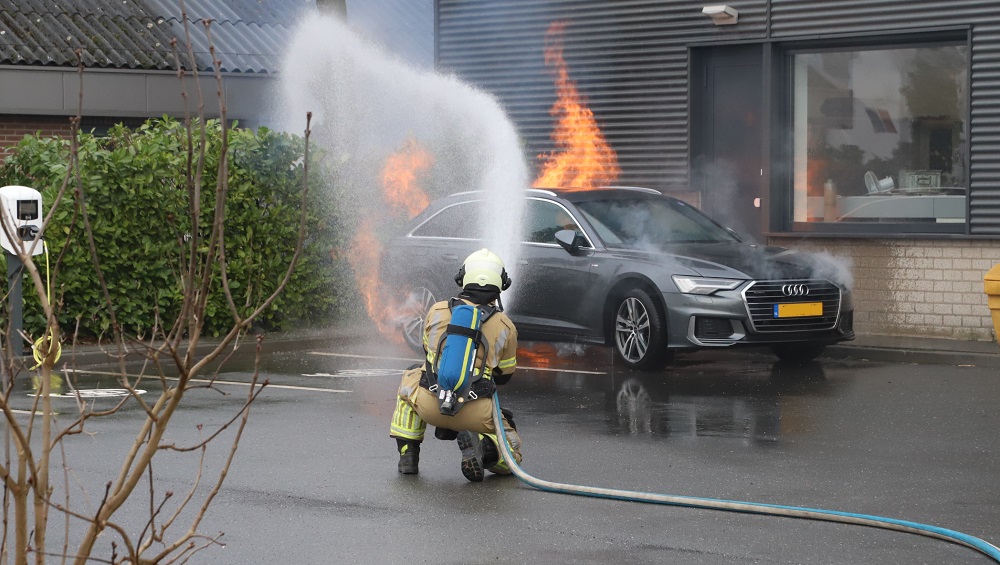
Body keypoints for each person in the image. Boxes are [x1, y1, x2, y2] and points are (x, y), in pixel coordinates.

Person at [389, 248, 522, 482]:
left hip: (431, 404)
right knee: (513, 452)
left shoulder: (437, 310)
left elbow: (427, 353)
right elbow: (504, 375)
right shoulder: (505, 326)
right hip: (476, 415)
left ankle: (407, 455)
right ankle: (484, 446)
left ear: (463, 278)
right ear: (502, 284)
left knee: (410, 379)